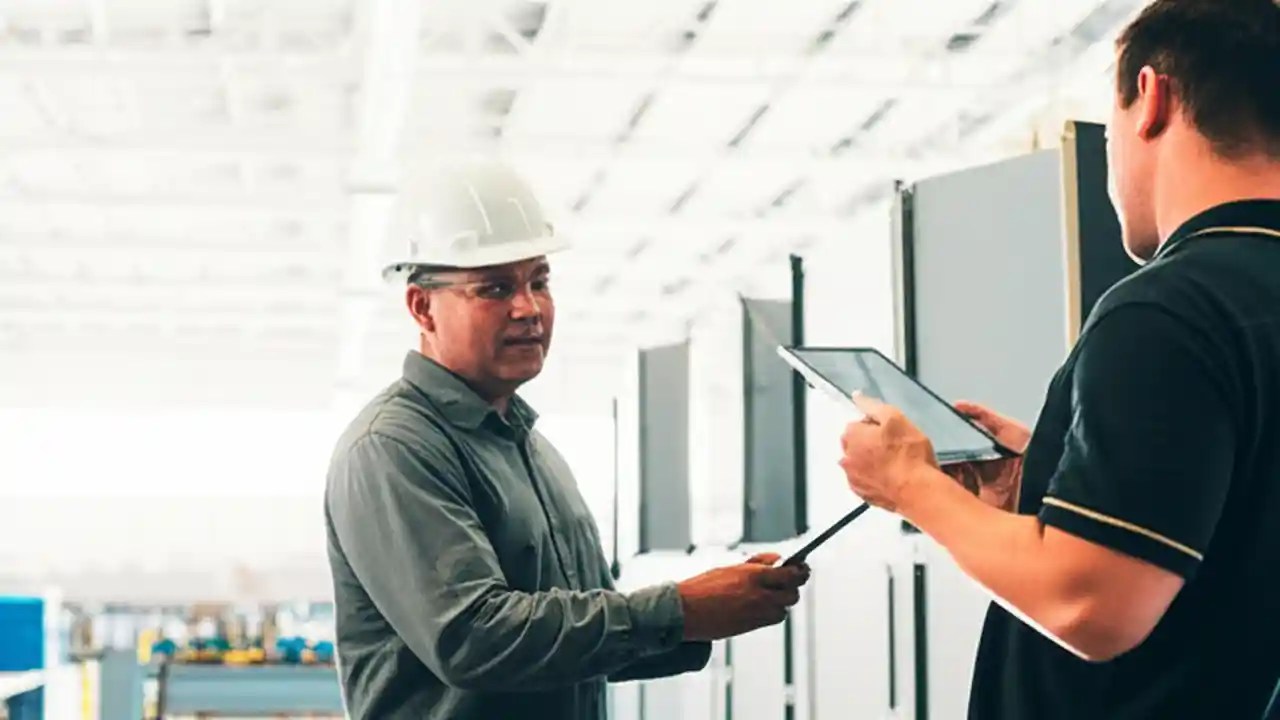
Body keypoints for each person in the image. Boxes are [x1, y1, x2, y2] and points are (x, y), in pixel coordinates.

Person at [837, 1, 1280, 717]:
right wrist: (1045, 479)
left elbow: (1092, 603)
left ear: (1151, 99)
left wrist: (911, 484)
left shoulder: (1167, 311)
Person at [324, 161, 809, 719]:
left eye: (539, 281)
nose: (528, 307)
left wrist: (720, 604)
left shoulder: (530, 448)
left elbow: (580, 642)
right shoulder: (394, 448)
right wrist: (681, 609)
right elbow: (473, 639)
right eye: (495, 288)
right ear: (422, 307)